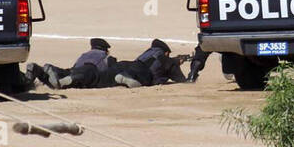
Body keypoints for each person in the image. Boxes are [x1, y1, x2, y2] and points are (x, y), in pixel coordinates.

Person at [27, 38, 191, 90]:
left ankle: (47, 71)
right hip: (136, 71)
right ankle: (63, 81)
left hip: (129, 65)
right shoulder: (166, 59)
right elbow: (180, 79)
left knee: (69, 72)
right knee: (93, 78)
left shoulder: (145, 54)